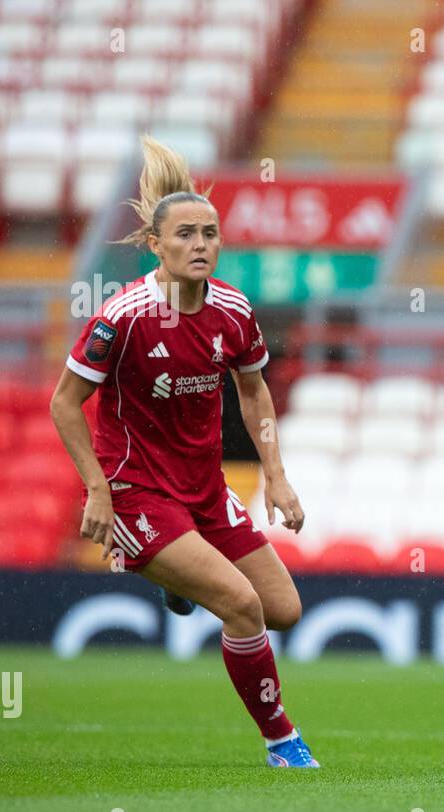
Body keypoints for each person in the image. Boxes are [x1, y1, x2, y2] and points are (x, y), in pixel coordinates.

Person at [50, 135, 320, 767]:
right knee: (243, 605)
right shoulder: (125, 316)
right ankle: (282, 741)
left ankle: (179, 584)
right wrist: (96, 489)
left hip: (205, 489)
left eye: (211, 233)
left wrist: (276, 477)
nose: (201, 245)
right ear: (156, 245)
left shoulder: (232, 311)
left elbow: (254, 392)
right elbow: (65, 403)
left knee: (284, 611)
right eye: (185, 235)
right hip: (138, 492)